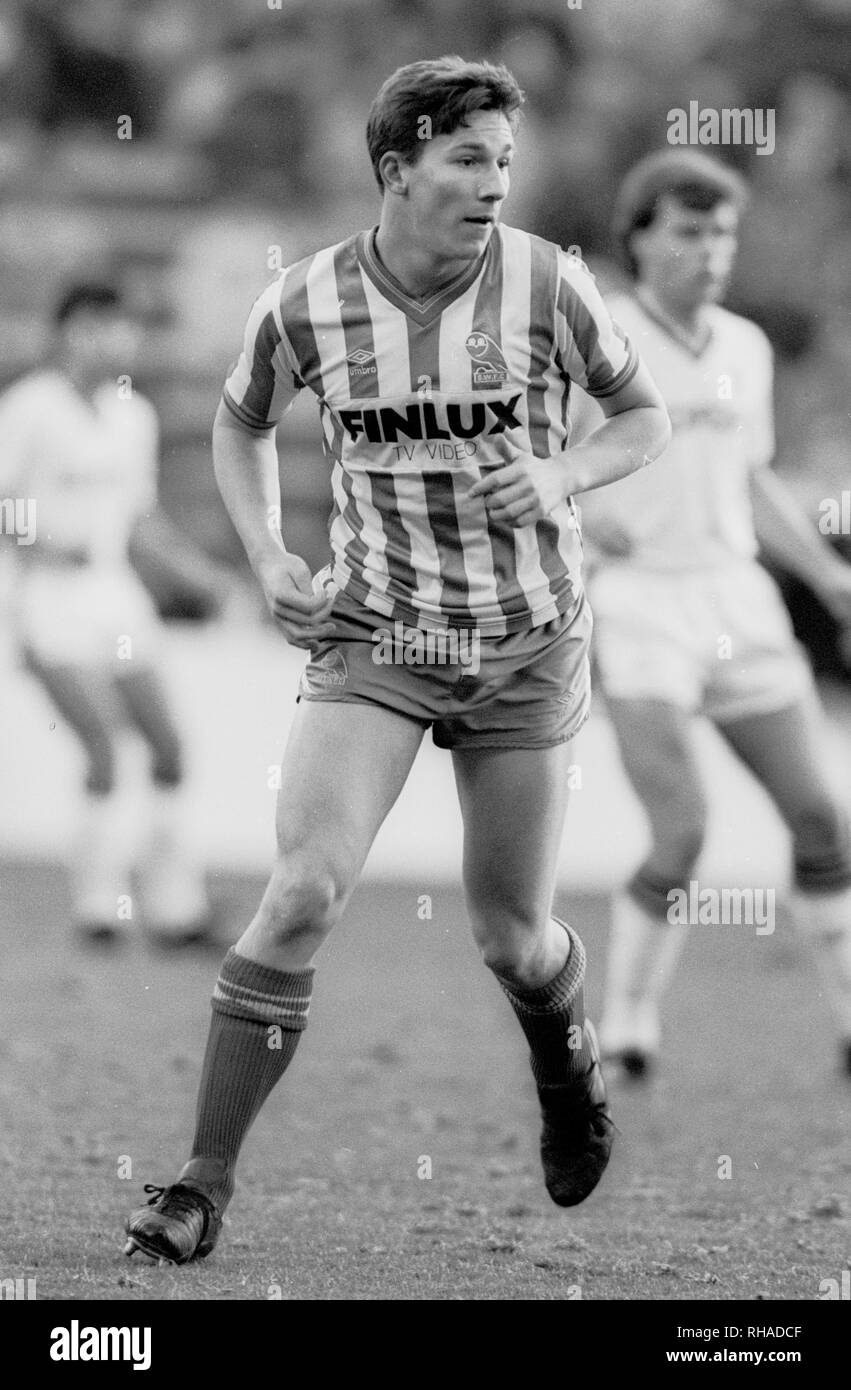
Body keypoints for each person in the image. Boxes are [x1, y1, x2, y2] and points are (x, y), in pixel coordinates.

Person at [124, 56, 670, 1265]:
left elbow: (643, 418)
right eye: (468, 159)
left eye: (503, 163)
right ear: (397, 168)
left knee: (512, 939)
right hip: (374, 633)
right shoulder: (306, 303)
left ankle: (564, 1058)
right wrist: (266, 554)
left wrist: (563, 472)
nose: (493, 184)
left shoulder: (548, 286)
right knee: (301, 890)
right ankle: (198, 1185)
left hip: (526, 639)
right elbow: (239, 420)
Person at [572, 150, 851, 1079]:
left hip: (734, 592)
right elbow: (538, 461)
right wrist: (576, 515)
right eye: (688, 231)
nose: (709, 252)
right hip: (639, 600)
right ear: (640, 239)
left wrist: (825, 573)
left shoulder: (743, 346)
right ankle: (628, 1026)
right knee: (681, 832)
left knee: (821, 820)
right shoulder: (598, 337)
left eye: (721, 232)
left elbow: (752, 476)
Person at [0, 282, 225, 947]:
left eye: (121, 327)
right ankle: (98, 905)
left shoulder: (134, 415)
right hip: (48, 598)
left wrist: (196, 573)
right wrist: (39, 539)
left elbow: (139, 519)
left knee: (168, 745)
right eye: (99, 326)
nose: (113, 340)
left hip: (114, 595)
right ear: (67, 332)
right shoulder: (29, 408)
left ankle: (174, 907)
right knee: (101, 743)